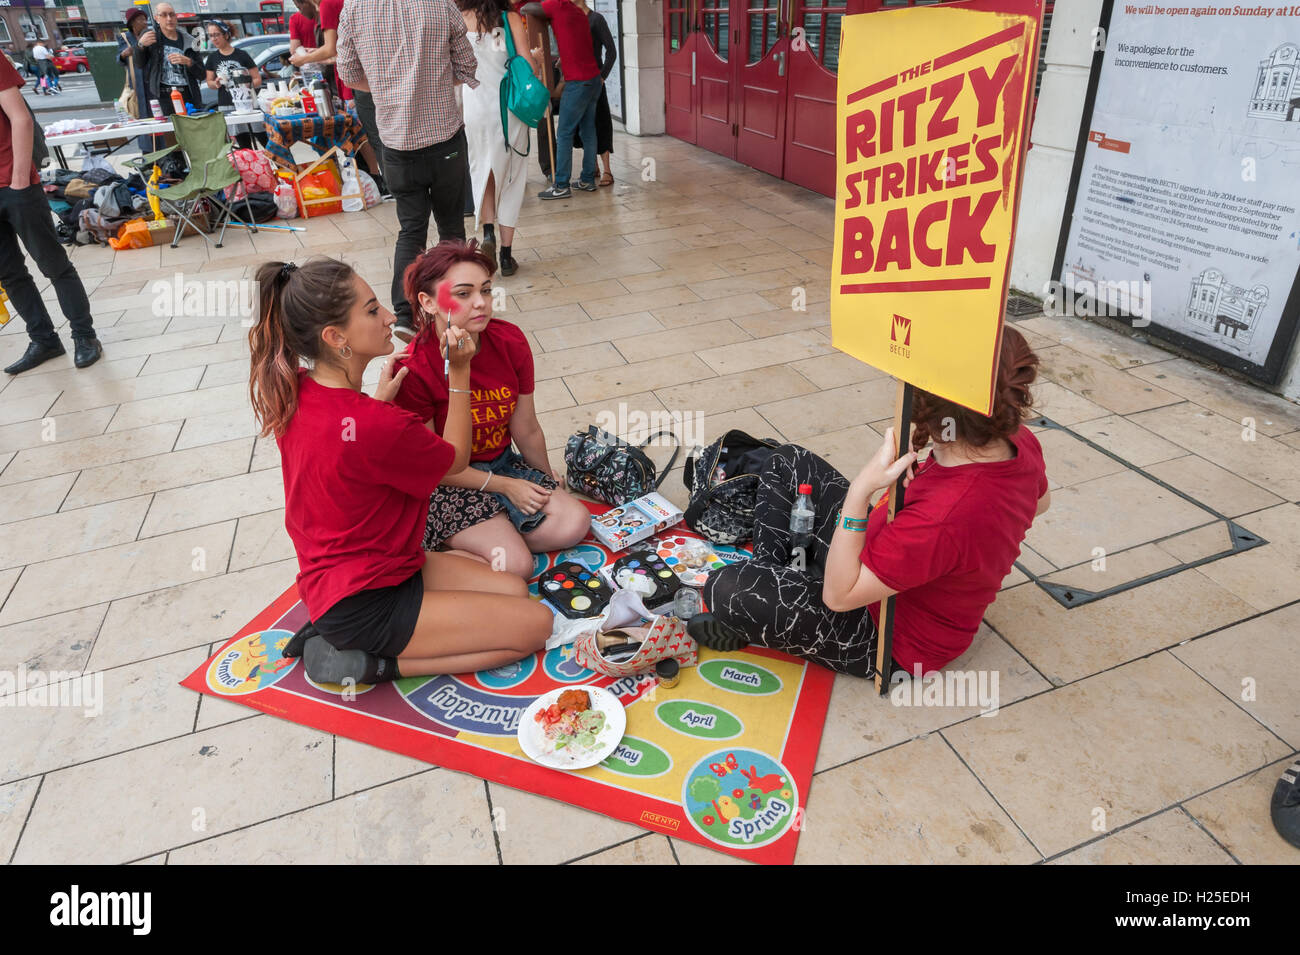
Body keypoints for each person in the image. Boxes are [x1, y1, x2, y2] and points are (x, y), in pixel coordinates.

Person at [248, 257, 552, 686]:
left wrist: (376, 404)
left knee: (515, 587)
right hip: (364, 601)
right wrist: (459, 371)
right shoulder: (377, 424)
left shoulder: (297, 387)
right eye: (373, 310)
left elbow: (346, 438)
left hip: (377, 568)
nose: (391, 316)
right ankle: (366, 663)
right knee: (536, 624)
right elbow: (456, 458)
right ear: (336, 337)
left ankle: (333, 627)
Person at [690, 328, 1050, 680]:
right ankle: (780, 578)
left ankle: (769, 596)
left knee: (726, 590)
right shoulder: (1016, 439)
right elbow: (1041, 502)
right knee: (788, 461)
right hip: (885, 561)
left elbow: (838, 596)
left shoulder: (943, 517)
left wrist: (861, 492)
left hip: (890, 637)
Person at [393, 241, 590, 577]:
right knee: (514, 565)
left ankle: (492, 531)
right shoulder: (414, 367)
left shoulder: (509, 341)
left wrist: (543, 479)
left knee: (575, 523)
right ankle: (424, 554)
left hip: (501, 463)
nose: (481, 302)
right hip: (446, 483)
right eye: (463, 294)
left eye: (485, 290)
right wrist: (504, 487)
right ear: (427, 302)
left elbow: (525, 428)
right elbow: (433, 468)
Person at [336, 0, 478, 342]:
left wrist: (389, 89)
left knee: (411, 229)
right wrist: (436, 80)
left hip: (396, 143)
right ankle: (454, 307)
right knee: (451, 228)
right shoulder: (440, 4)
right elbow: (467, 65)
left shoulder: (354, 8)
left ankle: (404, 314)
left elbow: (348, 72)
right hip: (445, 138)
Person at [1, 53, 102, 375]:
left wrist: (18, 179)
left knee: (53, 265)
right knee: (10, 273)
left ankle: (84, 336)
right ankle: (44, 340)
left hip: (14, 185)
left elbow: (21, 118)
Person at [457, 0, 542, 277]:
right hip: (508, 111)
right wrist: (538, 58)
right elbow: (528, 68)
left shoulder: (457, 17)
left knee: (484, 170)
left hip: (475, 110)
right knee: (513, 177)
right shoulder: (510, 19)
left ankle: (489, 232)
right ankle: (506, 256)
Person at [521, 0, 600, 199]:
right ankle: (587, 179)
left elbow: (527, 8)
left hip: (578, 82)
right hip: (593, 79)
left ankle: (562, 185)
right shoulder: (579, 13)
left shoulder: (557, 6)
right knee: (588, 131)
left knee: (564, 133)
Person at [572, 0, 614, 186]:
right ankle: (593, 166)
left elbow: (611, 52)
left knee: (601, 122)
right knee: (583, 125)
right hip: (577, 82)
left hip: (595, 82)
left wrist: (602, 76)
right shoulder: (571, 20)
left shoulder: (596, 19)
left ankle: (608, 171)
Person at [203, 20, 264, 148]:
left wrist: (245, 85)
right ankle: (252, 168)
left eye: (216, 34)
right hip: (227, 105)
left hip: (248, 103)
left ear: (226, 34)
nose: (213, 39)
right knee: (243, 144)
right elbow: (209, 82)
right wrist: (216, 83)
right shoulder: (212, 58)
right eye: (211, 35)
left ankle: (281, 166)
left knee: (263, 138)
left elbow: (257, 79)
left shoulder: (242, 55)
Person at [139, 3, 205, 117]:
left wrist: (189, 62)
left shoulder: (190, 41)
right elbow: (139, 64)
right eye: (164, 15)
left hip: (188, 96)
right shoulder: (151, 38)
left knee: (192, 131)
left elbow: (202, 74)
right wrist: (140, 46)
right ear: (156, 18)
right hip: (163, 97)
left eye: (172, 15)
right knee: (170, 132)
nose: (169, 19)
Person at [117, 10, 154, 152]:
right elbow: (120, 59)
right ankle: (148, 155)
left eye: (145, 19)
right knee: (141, 122)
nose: (144, 22)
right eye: (140, 20)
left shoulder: (149, 34)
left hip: (151, 82)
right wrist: (125, 53)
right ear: (132, 23)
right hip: (137, 84)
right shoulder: (124, 37)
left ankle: (164, 156)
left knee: (157, 118)